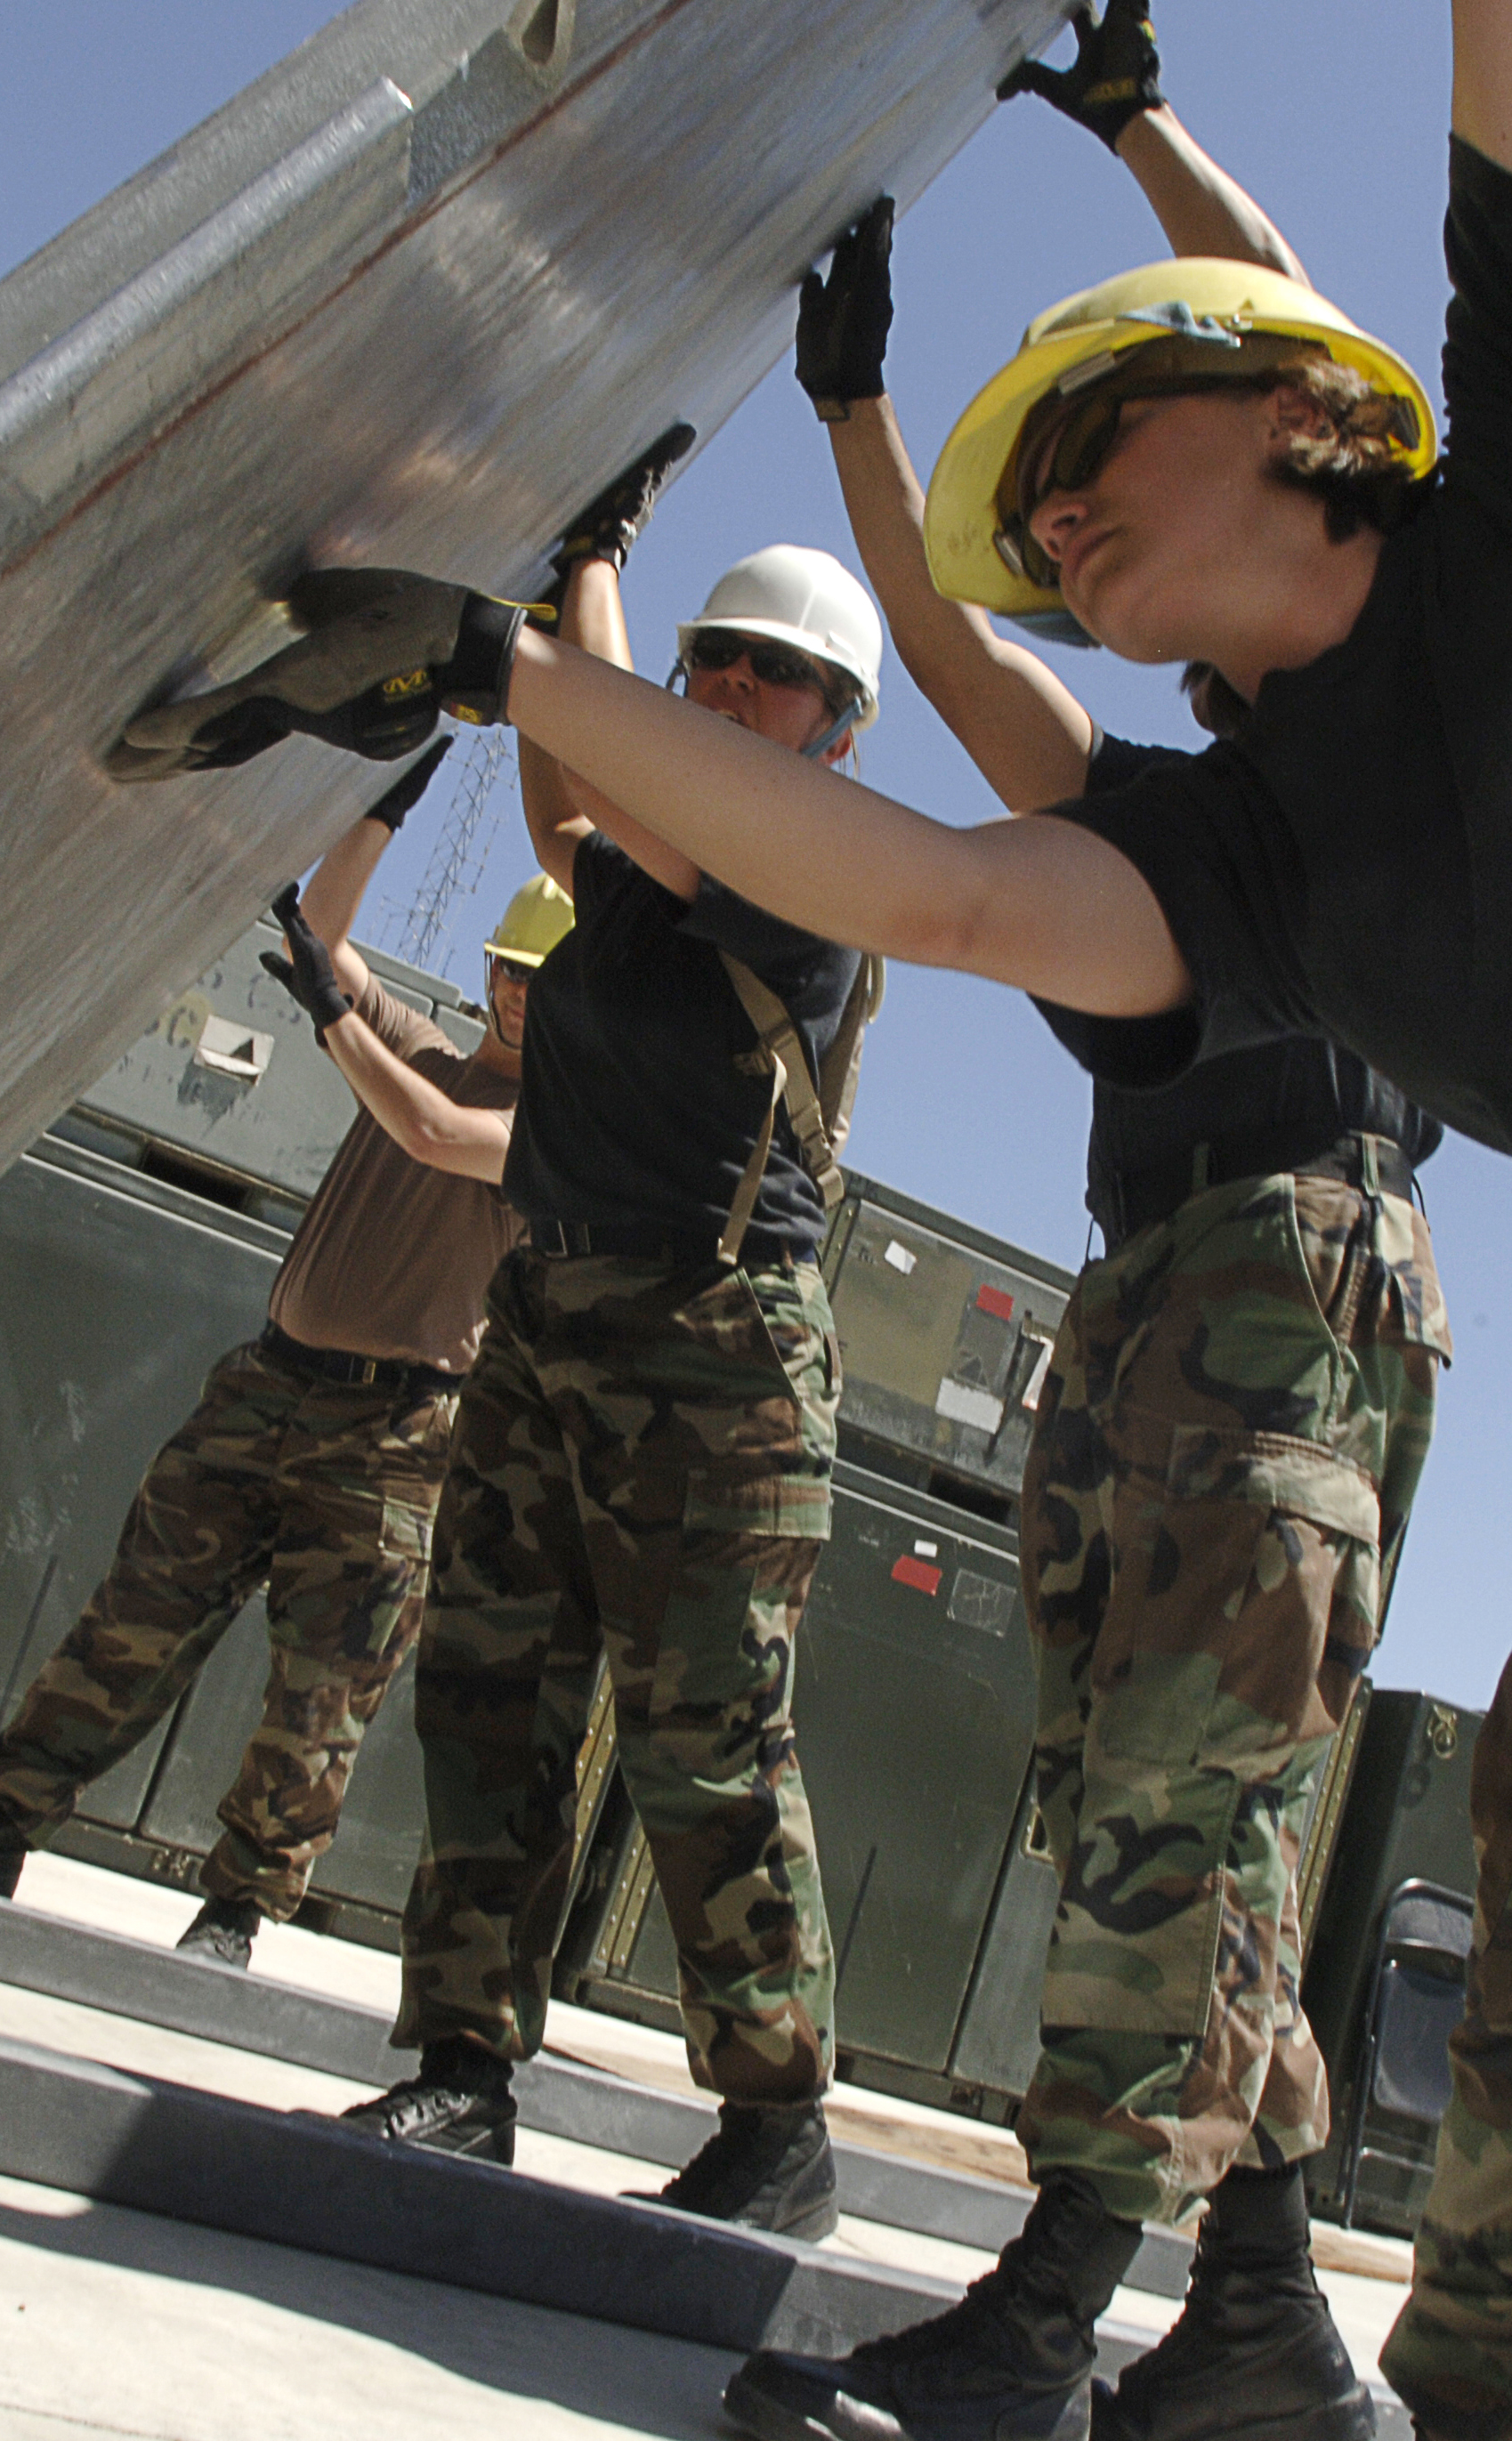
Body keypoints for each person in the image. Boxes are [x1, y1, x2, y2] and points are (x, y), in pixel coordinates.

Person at [130, 4, 1512, 2441]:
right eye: (1011, 508)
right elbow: (938, 883)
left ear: (1295, 413)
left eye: (1070, 455)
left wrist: (1134, 114)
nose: (1038, 518)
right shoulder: (1243, 860)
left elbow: (1509, 128)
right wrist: (505, 667)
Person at [705, 21, 1444, 2441]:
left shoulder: (1384, 727)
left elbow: (1285, 346)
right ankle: (1247, 2323)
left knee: (1166, 1807)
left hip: (1291, 1269)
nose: (1133, 566)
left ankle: (1039, 2334)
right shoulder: (1168, 803)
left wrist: (1129, 118)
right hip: (1165, 1289)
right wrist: (852, 413)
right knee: (1159, 1815)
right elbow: (947, 665)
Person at [330, 449, 877, 2241]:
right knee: (489, 1686)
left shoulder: (816, 878)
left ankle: (778, 2114)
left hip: (714, 1345)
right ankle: (467, 2063)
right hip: (553, 1307)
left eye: (768, 673)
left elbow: (614, 773)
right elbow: (570, 786)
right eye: (709, 656)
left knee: (703, 1732)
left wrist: (578, 597)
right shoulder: (636, 874)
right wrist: (581, 565)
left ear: (835, 732)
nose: (726, 685)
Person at [0, 745, 556, 1969]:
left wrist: (331, 1018)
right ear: (488, 969)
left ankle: (240, 1907)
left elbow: (433, 1135)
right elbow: (319, 931)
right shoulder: (420, 1046)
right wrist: (387, 796)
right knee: (133, 1619)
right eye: (514, 969)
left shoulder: (555, 1132)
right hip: (269, 1380)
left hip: (397, 1437)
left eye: (551, 979)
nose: (523, 993)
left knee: (323, 1689)